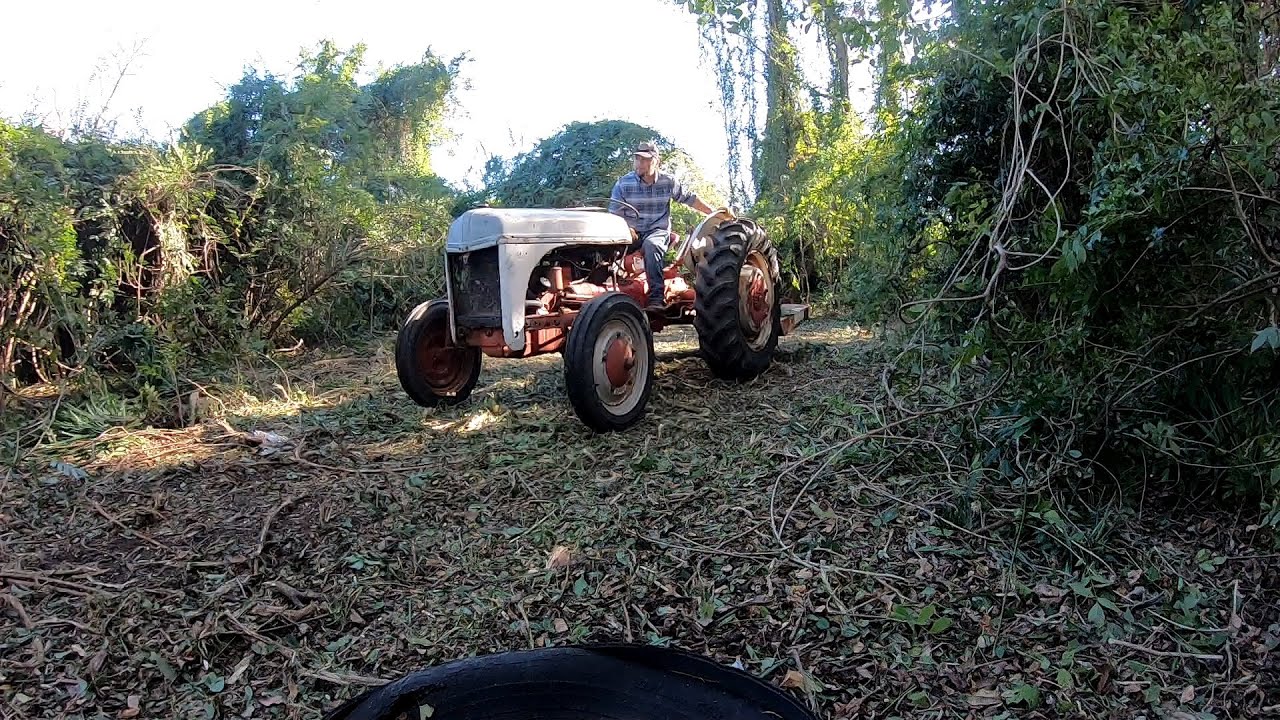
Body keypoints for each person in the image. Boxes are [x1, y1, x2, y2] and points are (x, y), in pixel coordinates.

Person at [608, 141, 713, 310]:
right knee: (605, 247)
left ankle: (656, 298)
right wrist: (627, 229)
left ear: (656, 161)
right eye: (637, 159)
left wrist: (712, 212)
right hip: (631, 232)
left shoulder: (668, 182)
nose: (639, 163)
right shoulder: (623, 184)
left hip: (657, 230)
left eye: (644, 160)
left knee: (652, 245)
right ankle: (608, 291)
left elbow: (690, 199)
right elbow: (614, 214)